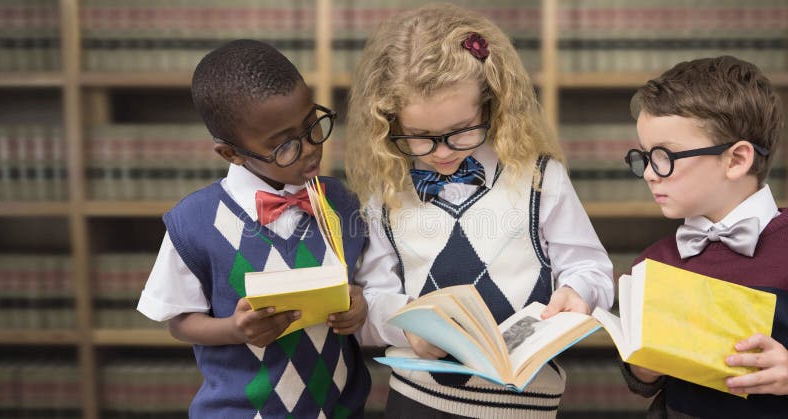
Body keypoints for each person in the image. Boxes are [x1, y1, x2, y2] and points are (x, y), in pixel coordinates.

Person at [345, 4, 614, 417]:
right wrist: (408, 327)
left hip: (523, 402)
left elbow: (591, 268)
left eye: (462, 131)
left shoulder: (540, 177)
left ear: (490, 106)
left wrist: (579, 293)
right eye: (419, 137)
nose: (442, 152)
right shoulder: (386, 193)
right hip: (419, 401)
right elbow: (372, 303)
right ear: (388, 120)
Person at [136, 39, 371, 418]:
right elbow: (179, 322)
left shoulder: (341, 201)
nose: (310, 149)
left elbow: (365, 285)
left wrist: (359, 306)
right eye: (284, 147)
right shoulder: (194, 222)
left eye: (312, 126)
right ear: (232, 153)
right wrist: (235, 329)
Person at [620, 56, 788, 418]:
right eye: (646, 156)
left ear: (736, 160)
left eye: (664, 156)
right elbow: (646, 383)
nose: (650, 173)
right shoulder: (653, 263)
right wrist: (643, 368)